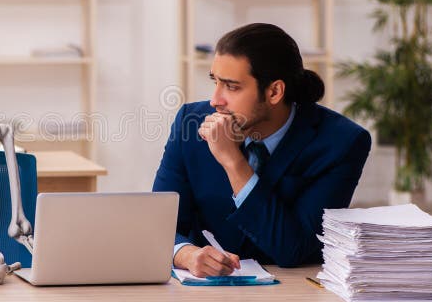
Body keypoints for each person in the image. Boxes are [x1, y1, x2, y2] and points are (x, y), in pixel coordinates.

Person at [153, 23, 371, 276]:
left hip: (294, 295)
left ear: (274, 91)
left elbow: (293, 249)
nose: (215, 100)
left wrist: (233, 162)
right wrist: (186, 254)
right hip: (201, 292)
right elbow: (160, 223)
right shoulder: (191, 122)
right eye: (215, 82)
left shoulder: (342, 142)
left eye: (232, 87)